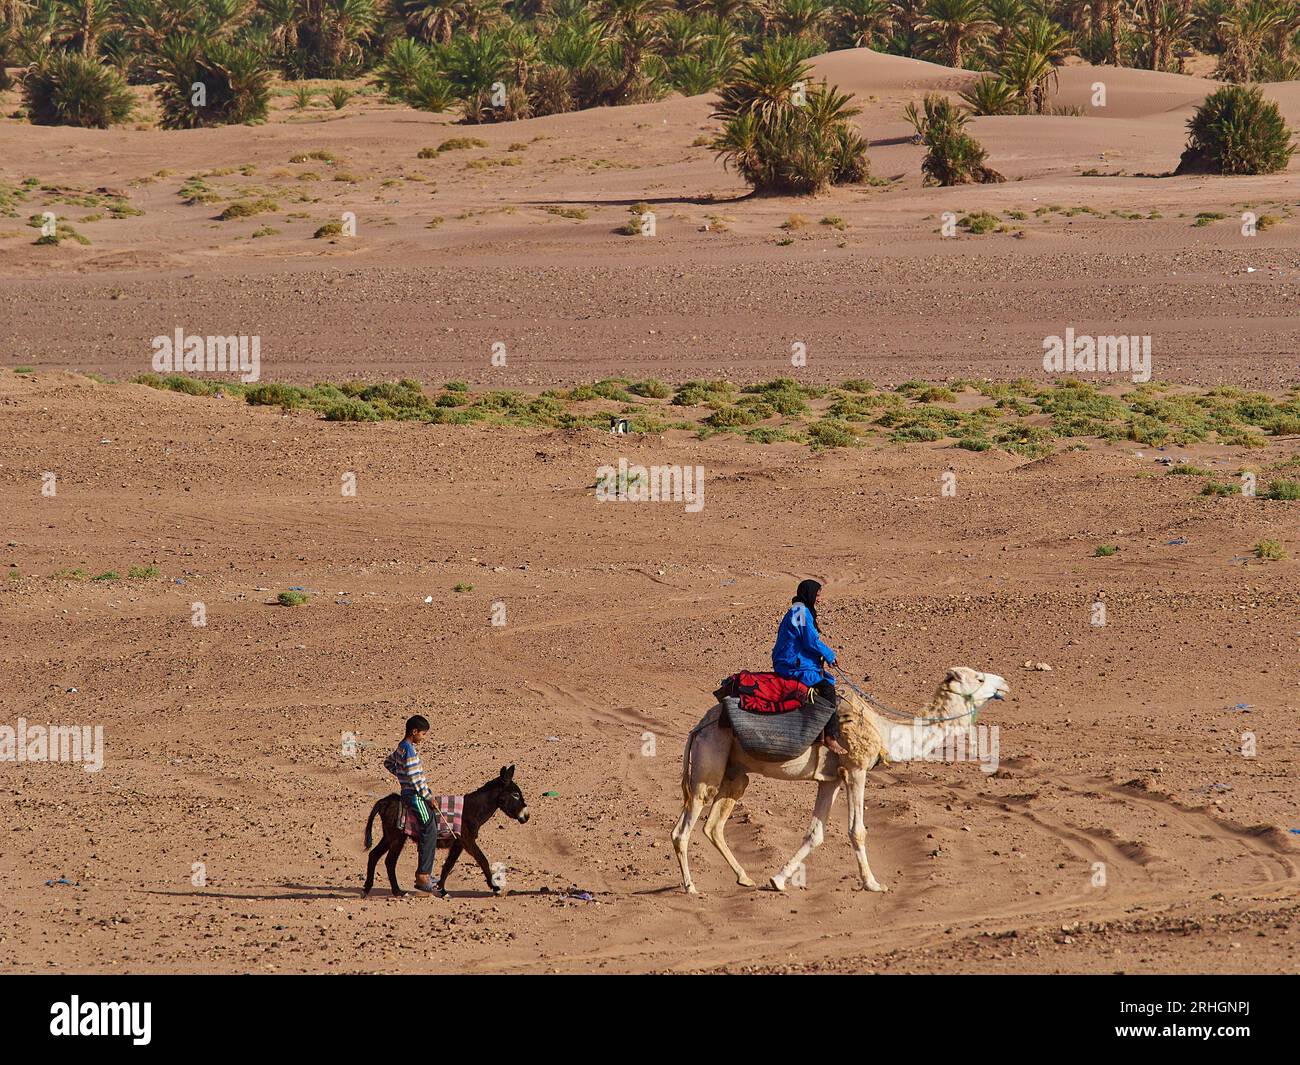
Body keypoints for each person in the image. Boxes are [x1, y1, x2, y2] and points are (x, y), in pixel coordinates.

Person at [772, 579, 847, 755]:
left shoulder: (801, 610)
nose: (819, 600)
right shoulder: (799, 611)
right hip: (792, 664)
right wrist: (829, 655)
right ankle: (830, 737)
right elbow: (810, 640)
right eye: (817, 595)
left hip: (798, 661)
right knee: (827, 689)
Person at [383, 715, 443, 895]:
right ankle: (423, 875)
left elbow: (388, 762)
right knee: (429, 829)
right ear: (414, 732)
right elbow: (416, 779)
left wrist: (400, 774)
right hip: (415, 796)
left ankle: (426, 873)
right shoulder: (409, 751)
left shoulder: (401, 747)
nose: (423, 738)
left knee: (430, 823)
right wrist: (428, 797)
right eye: (423, 734)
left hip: (409, 792)